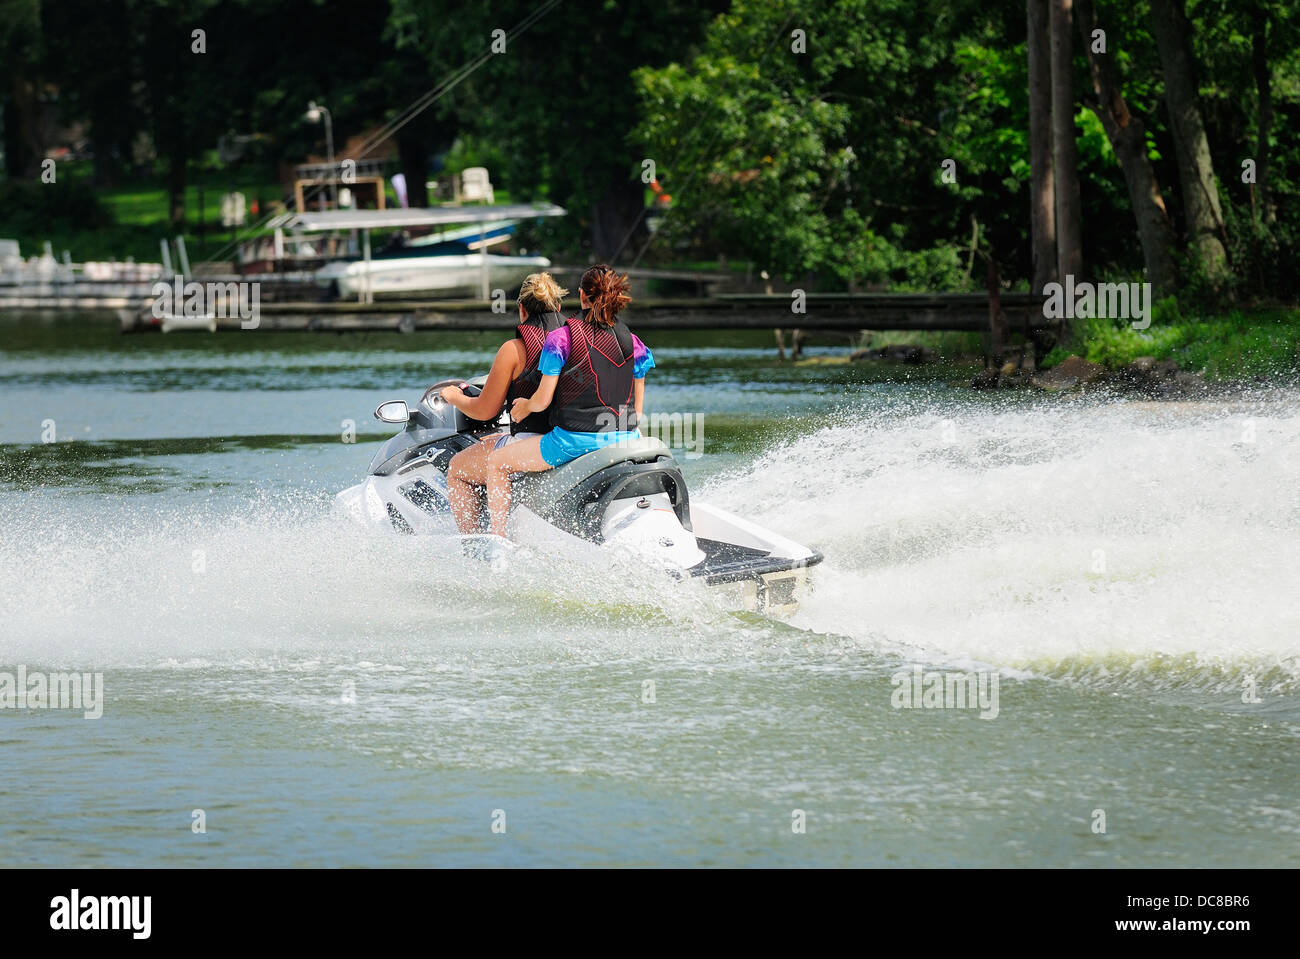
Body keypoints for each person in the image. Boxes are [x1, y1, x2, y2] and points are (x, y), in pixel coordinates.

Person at [482, 264, 654, 537]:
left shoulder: (561, 338)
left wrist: (523, 406)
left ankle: (498, 541)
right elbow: (638, 411)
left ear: (581, 295)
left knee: (497, 463)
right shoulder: (634, 342)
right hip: (626, 440)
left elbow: (542, 400)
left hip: (571, 442)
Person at [440, 272, 567, 533]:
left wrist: (455, 398)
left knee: (457, 470)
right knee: (492, 442)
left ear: (522, 310)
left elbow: (486, 410)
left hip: (532, 443)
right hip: (570, 436)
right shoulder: (577, 339)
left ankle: (473, 546)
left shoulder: (513, 350)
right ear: (559, 308)